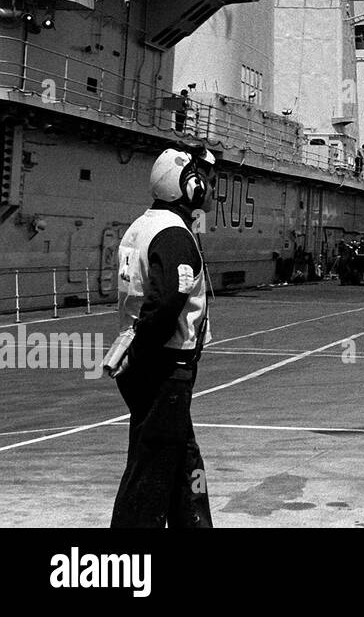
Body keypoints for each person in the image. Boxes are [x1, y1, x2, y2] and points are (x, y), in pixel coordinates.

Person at [110, 145, 217, 528]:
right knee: (151, 465)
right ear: (185, 186)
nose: (205, 187)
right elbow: (167, 300)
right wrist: (143, 352)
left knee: (182, 457)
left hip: (145, 358)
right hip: (165, 364)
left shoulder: (141, 226)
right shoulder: (174, 235)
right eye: (199, 179)